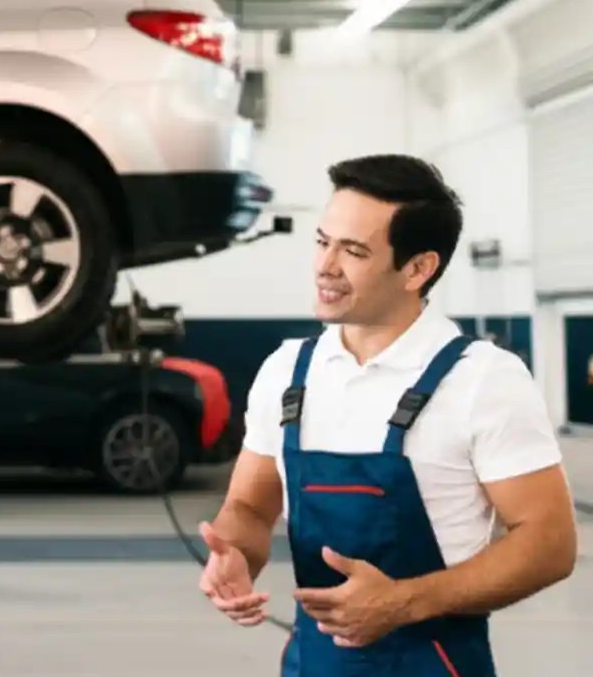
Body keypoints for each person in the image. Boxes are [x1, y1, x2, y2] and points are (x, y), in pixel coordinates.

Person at [198, 154, 577, 675]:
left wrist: (403, 602)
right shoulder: (286, 372)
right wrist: (236, 554)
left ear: (418, 269)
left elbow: (550, 543)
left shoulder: (484, 380)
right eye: (322, 241)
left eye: (353, 250)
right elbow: (249, 506)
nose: (326, 266)